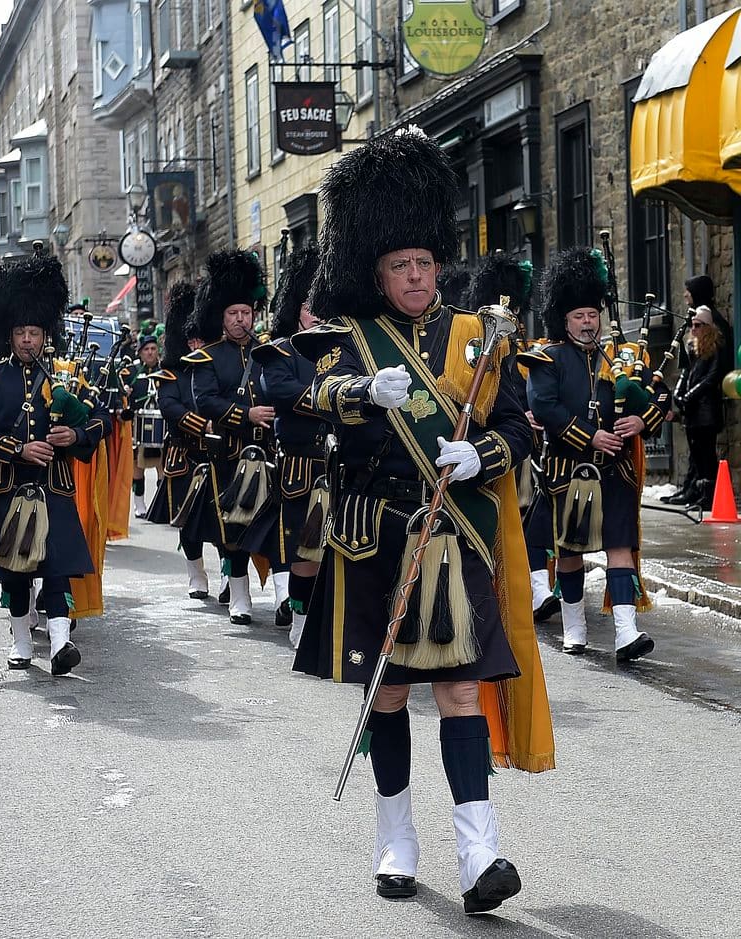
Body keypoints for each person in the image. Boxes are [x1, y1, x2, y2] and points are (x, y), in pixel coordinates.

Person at [293, 128, 554, 913]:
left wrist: (484, 459)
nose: (414, 276)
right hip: (377, 538)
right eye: (399, 266)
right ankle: (395, 839)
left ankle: (481, 855)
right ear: (375, 270)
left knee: (463, 695)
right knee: (388, 696)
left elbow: (514, 428)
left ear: (440, 264)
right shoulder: (351, 343)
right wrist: (358, 395)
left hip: (458, 537)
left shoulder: (480, 337)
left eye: (424, 264)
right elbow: (306, 406)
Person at [0, 249, 110, 675]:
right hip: (8, 486)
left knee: (56, 563)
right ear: (10, 334)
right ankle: (22, 641)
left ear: (46, 334)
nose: (29, 340)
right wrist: (17, 448)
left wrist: (75, 435)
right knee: (18, 572)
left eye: (36, 332)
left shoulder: (65, 376)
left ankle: (61, 643)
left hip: (55, 485)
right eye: (22, 332)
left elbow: (103, 421)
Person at [524, 248, 668, 663]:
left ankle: (626, 632)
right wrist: (592, 437)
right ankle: (575, 628)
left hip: (615, 471)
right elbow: (546, 407)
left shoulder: (623, 358)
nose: (587, 323)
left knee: (619, 546)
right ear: (564, 320)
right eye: (578, 317)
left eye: (592, 314)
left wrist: (642, 422)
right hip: (567, 471)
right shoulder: (547, 358)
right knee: (569, 552)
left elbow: (660, 396)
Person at [459, 255, 557, 622]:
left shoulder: (524, 351)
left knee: (529, 519)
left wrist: (530, 416)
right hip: (485, 451)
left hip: (520, 449)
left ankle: (536, 589)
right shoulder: (474, 348)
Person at [180, 250, 272, 625]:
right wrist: (246, 415)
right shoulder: (208, 357)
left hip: (267, 449)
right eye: (233, 314)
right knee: (233, 525)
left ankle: (282, 596)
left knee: (270, 522)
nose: (241, 320)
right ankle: (240, 595)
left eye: (246, 313)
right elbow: (205, 400)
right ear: (221, 317)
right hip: (229, 454)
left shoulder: (268, 351)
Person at [247, 243, 326, 643]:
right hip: (299, 465)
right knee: (303, 550)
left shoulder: (344, 346)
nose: (317, 314)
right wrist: (335, 399)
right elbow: (283, 391)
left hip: (341, 464)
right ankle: (299, 619)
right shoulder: (280, 351)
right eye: (311, 305)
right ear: (297, 308)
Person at [146, 281, 219, 598]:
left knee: (224, 521)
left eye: (201, 338)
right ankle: (197, 575)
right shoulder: (170, 373)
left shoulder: (218, 365)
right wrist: (205, 423)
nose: (196, 343)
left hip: (218, 452)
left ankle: (232, 577)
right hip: (184, 454)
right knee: (188, 523)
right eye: (191, 339)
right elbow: (170, 407)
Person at [670, 305, 731, 508]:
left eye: (697, 325)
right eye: (692, 325)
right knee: (696, 453)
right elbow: (686, 373)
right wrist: (678, 393)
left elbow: (711, 378)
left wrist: (688, 395)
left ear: (707, 326)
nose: (693, 329)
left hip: (706, 410)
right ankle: (700, 493)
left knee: (706, 455)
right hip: (692, 412)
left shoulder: (716, 346)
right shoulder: (693, 347)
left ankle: (708, 495)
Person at [129, 333, 162, 516]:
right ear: (140, 352)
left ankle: (159, 505)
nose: (150, 353)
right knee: (137, 466)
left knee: (161, 466)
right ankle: (139, 505)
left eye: (153, 349)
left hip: (160, 424)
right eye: (146, 350)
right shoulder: (132, 372)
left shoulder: (164, 369)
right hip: (138, 425)